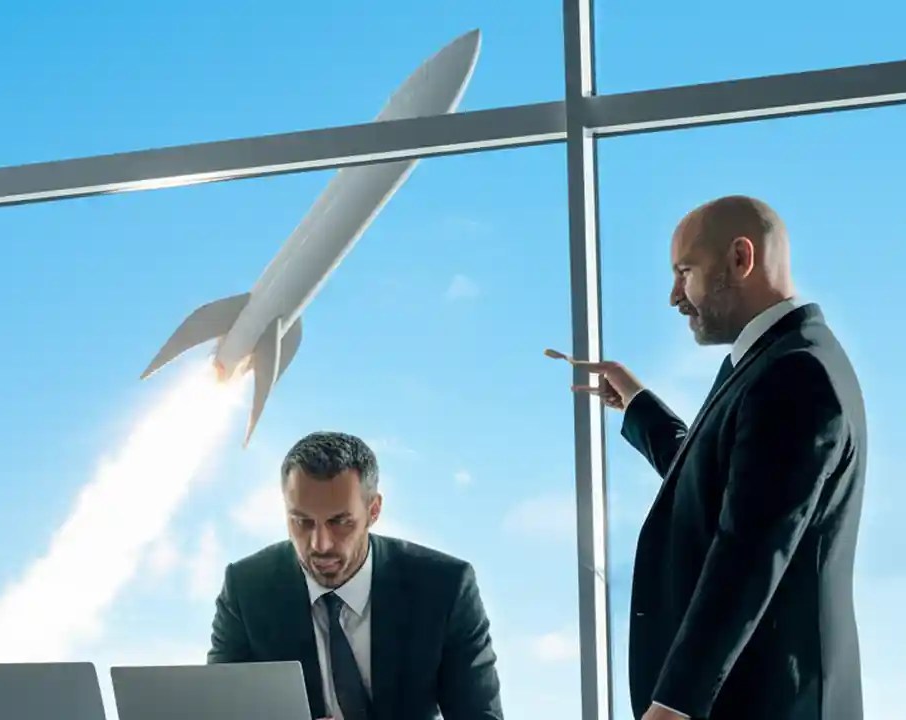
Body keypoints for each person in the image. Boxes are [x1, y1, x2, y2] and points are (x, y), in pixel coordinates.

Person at [573, 196, 866, 720]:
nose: (673, 297)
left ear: (739, 258)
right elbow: (727, 488)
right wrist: (639, 406)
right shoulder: (777, 359)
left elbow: (748, 555)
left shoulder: (794, 375)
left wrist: (673, 706)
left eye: (684, 272)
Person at [207, 431, 504, 720]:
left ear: (373, 511)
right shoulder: (245, 589)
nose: (319, 544)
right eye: (302, 522)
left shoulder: (444, 589)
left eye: (340, 522)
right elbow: (219, 712)